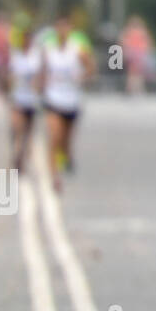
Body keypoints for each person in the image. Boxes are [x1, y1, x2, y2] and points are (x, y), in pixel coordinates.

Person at [39, 13, 94, 190]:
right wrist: (40, 86)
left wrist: (83, 77)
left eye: (65, 27)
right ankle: (55, 177)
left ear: (70, 29)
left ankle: (67, 156)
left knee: (65, 140)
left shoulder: (77, 49)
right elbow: (42, 71)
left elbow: (91, 68)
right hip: (53, 99)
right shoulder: (48, 49)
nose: (62, 31)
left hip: (71, 101)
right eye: (59, 27)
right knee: (54, 137)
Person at [6, 12, 42, 173]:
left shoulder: (37, 56)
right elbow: (9, 74)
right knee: (16, 128)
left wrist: (40, 86)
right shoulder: (15, 54)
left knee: (27, 131)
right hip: (18, 97)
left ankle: (23, 153)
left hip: (32, 99)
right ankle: (17, 155)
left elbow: (42, 75)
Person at [121, 15, 156, 96]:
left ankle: (134, 90)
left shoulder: (140, 32)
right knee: (134, 73)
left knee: (136, 73)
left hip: (139, 55)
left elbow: (147, 44)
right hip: (134, 55)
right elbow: (123, 43)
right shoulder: (129, 32)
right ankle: (133, 90)